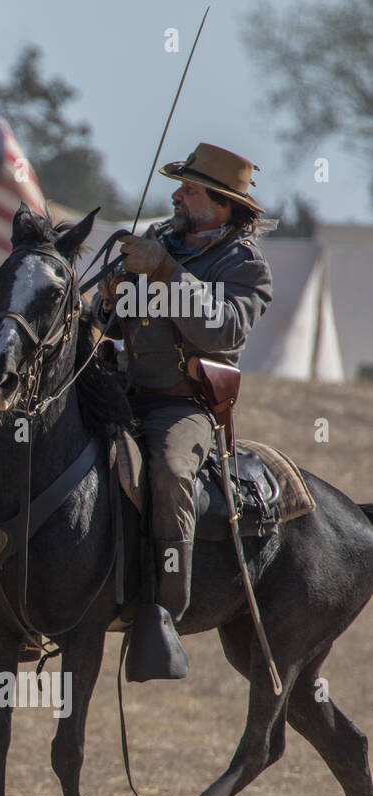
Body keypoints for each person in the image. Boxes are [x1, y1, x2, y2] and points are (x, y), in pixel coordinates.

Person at [96, 142, 273, 680]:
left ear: (220, 204)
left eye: (189, 189)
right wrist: (110, 299)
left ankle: (161, 614)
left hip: (183, 406)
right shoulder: (158, 242)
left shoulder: (245, 267)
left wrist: (168, 271)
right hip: (123, 393)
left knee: (172, 473)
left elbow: (222, 329)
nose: (176, 195)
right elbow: (115, 328)